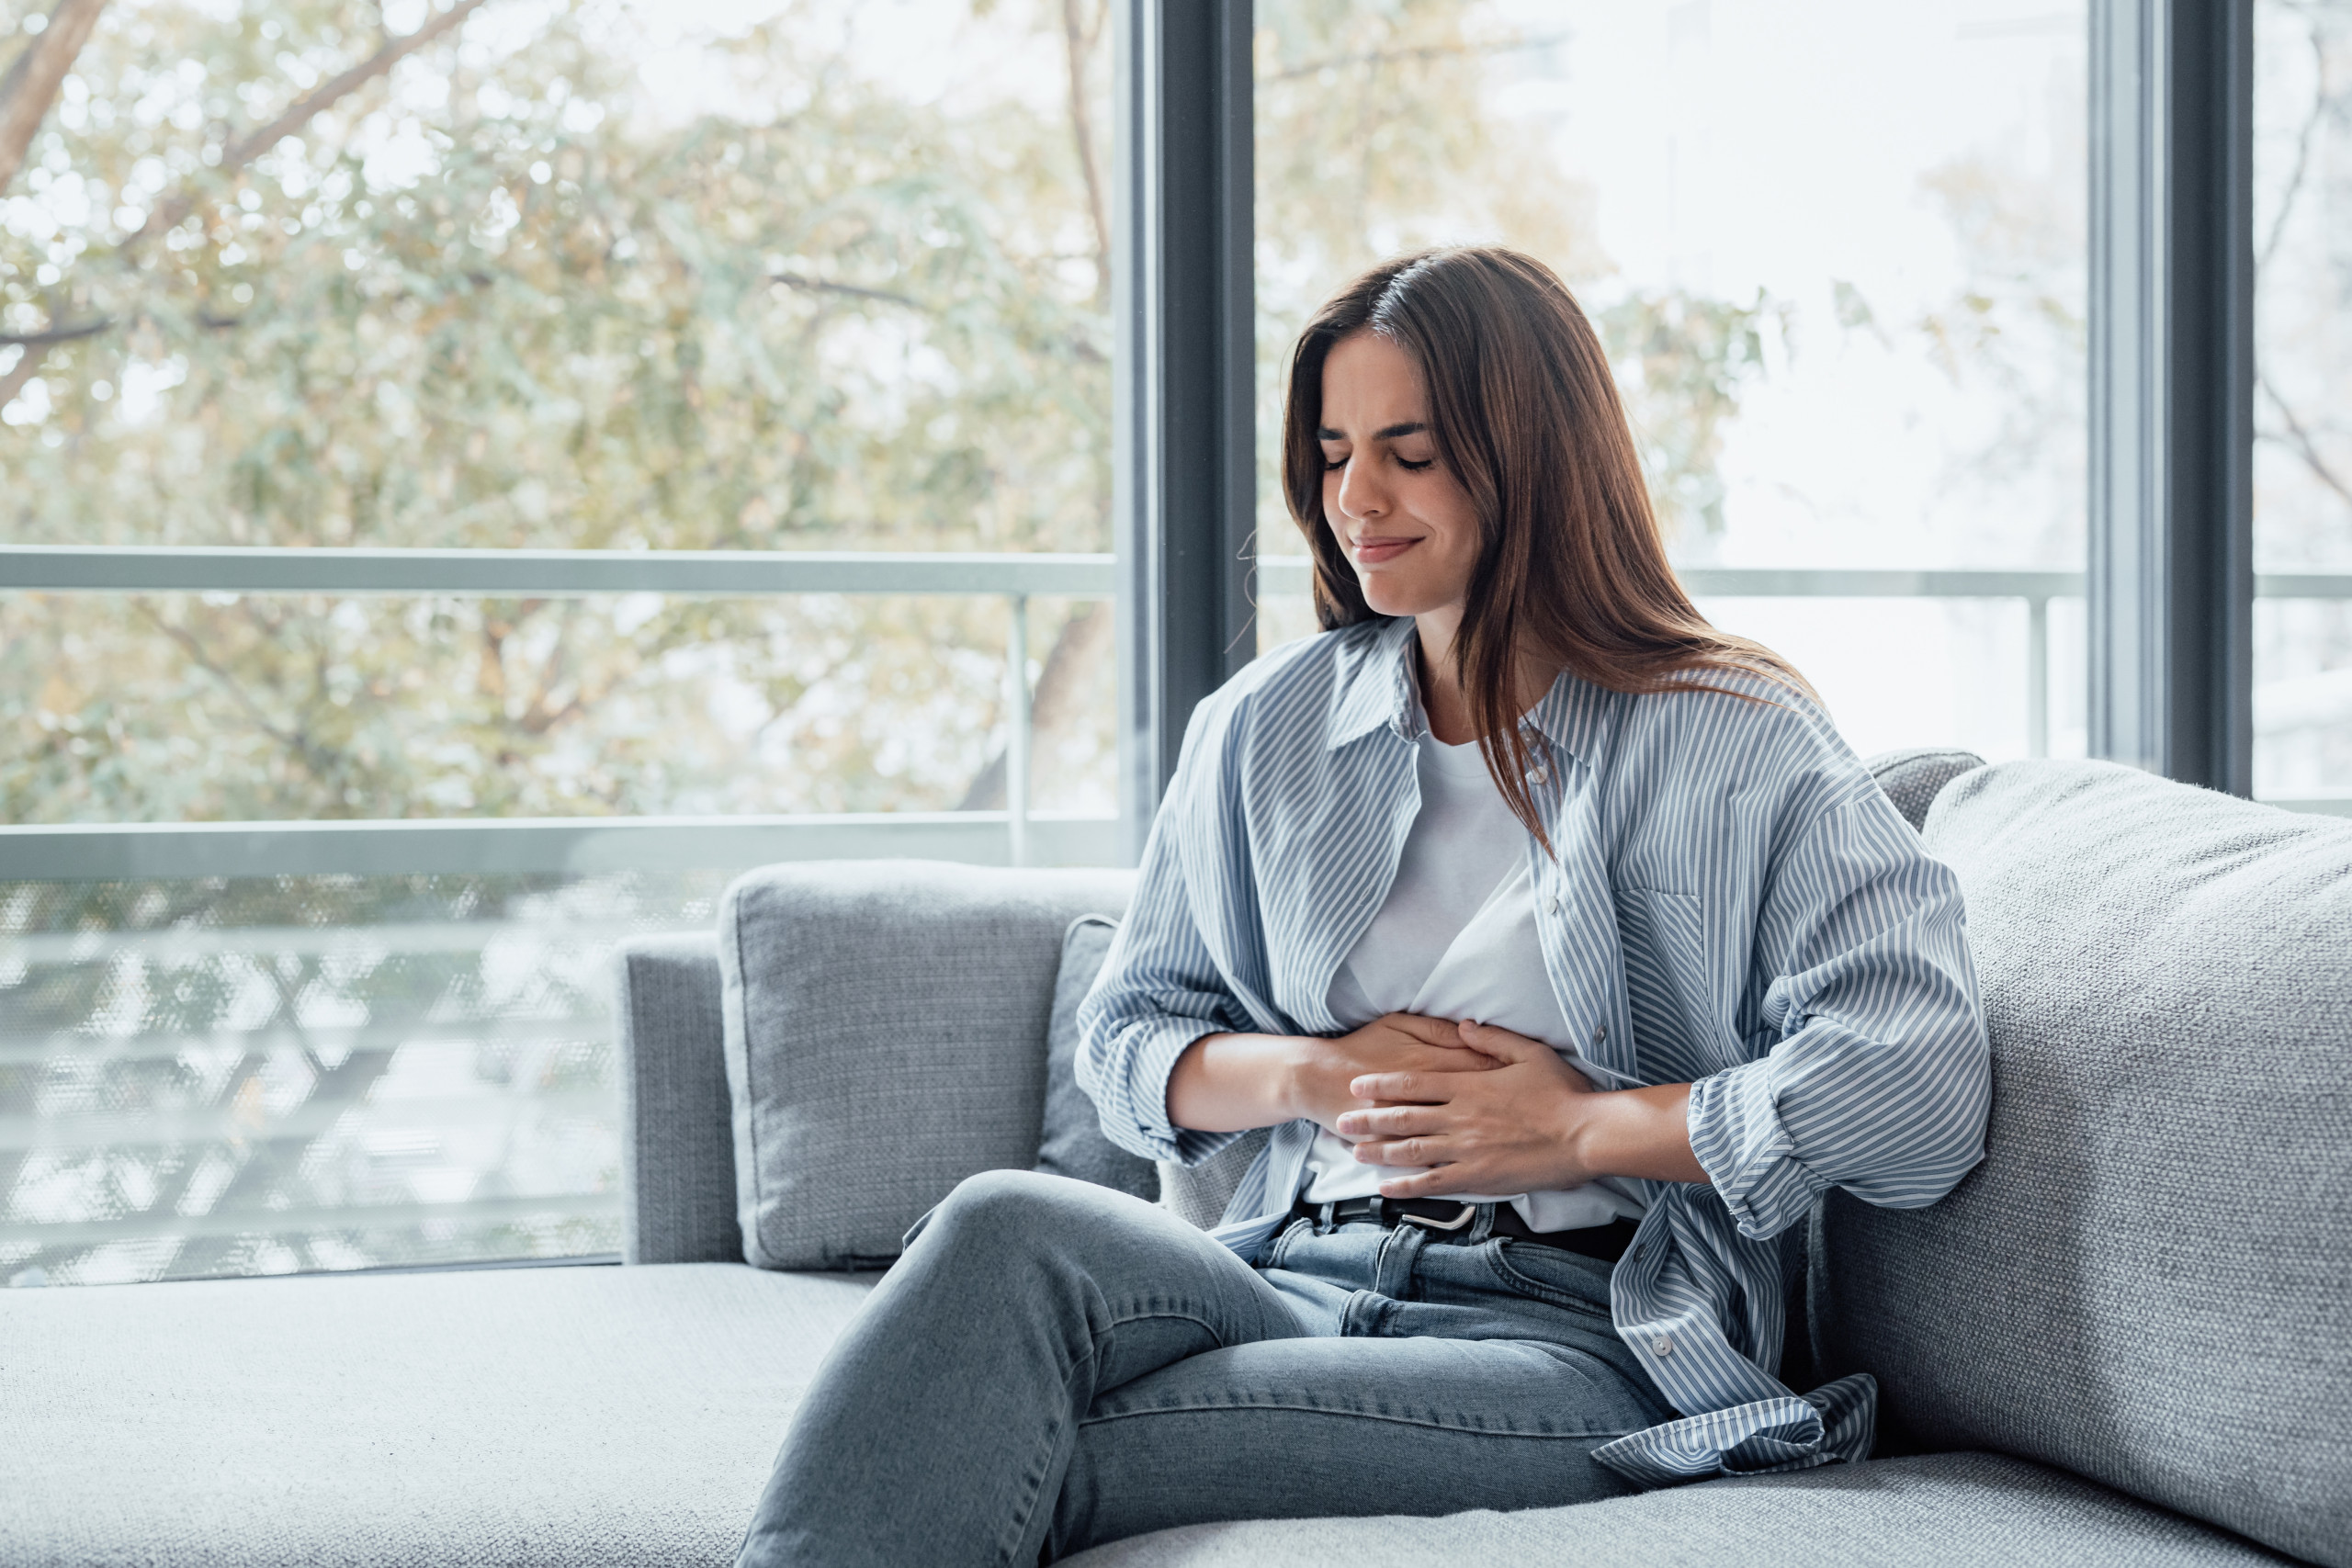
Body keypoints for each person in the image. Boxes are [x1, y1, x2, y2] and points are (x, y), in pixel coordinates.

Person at [734, 246, 1991, 1566]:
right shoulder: (1262, 730)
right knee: (1002, 1224)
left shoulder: (1737, 740)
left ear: (1532, 460)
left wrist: (1577, 1130)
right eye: (1334, 454)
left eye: (1410, 451)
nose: (1354, 499)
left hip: (1570, 1330)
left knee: (986, 1448)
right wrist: (1310, 1078)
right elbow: (1126, 1046)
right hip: (1285, 1272)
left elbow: (1920, 1085)